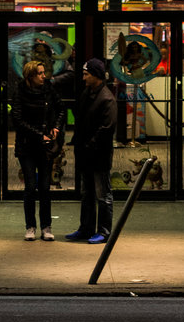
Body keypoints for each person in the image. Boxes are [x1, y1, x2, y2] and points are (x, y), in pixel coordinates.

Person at [12, 60, 65, 241]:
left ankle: (46, 226)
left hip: (45, 146)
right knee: (30, 187)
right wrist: (38, 134)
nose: (44, 76)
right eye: (40, 73)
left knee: (44, 187)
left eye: (44, 72)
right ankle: (30, 226)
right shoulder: (20, 91)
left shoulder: (48, 88)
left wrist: (56, 127)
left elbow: (61, 109)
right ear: (30, 76)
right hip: (27, 145)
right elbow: (17, 119)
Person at [66, 58, 116, 244]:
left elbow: (106, 129)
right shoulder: (88, 93)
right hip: (86, 153)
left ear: (96, 75)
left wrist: (88, 145)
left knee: (103, 194)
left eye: (86, 74)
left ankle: (103, 231)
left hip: (98, 155)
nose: (83, 77)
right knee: (87, 193)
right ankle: (86, 228)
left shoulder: (106, 98)